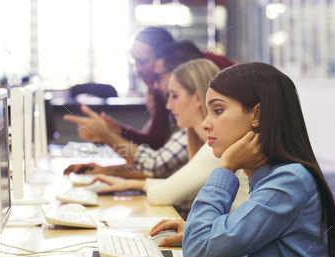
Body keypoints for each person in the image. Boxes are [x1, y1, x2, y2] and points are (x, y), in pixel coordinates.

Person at [153, 62, 335, 257]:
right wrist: (203, 233)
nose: (206, 123)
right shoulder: (271, 178)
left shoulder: (289, 182)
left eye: (218, 111)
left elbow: (198, 248)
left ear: (257, 115)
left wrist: (225, 167)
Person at [88, 59, 249, 219]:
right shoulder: (192, 136)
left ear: (197, 98)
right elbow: (170, 185)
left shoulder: (217, 146)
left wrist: (107, 136)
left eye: (174, 96)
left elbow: (160, 187)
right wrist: (129, 184)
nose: (168, 106)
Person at [66, 27, 235, 150]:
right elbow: (157, 143)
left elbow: (157, 164)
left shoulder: (209, 72)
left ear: (164, 58)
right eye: (134, 62)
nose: (138, 69)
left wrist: (108, 136)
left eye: (142, 61)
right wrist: (116, 130)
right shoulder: (161, 88)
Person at [63, 41, 206, 179]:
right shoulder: (181, 121)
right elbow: (163, 167)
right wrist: (108, 170)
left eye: (174, 95)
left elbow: (156, 166)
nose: (155, 86)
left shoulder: (196, 129)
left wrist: (106, 136)